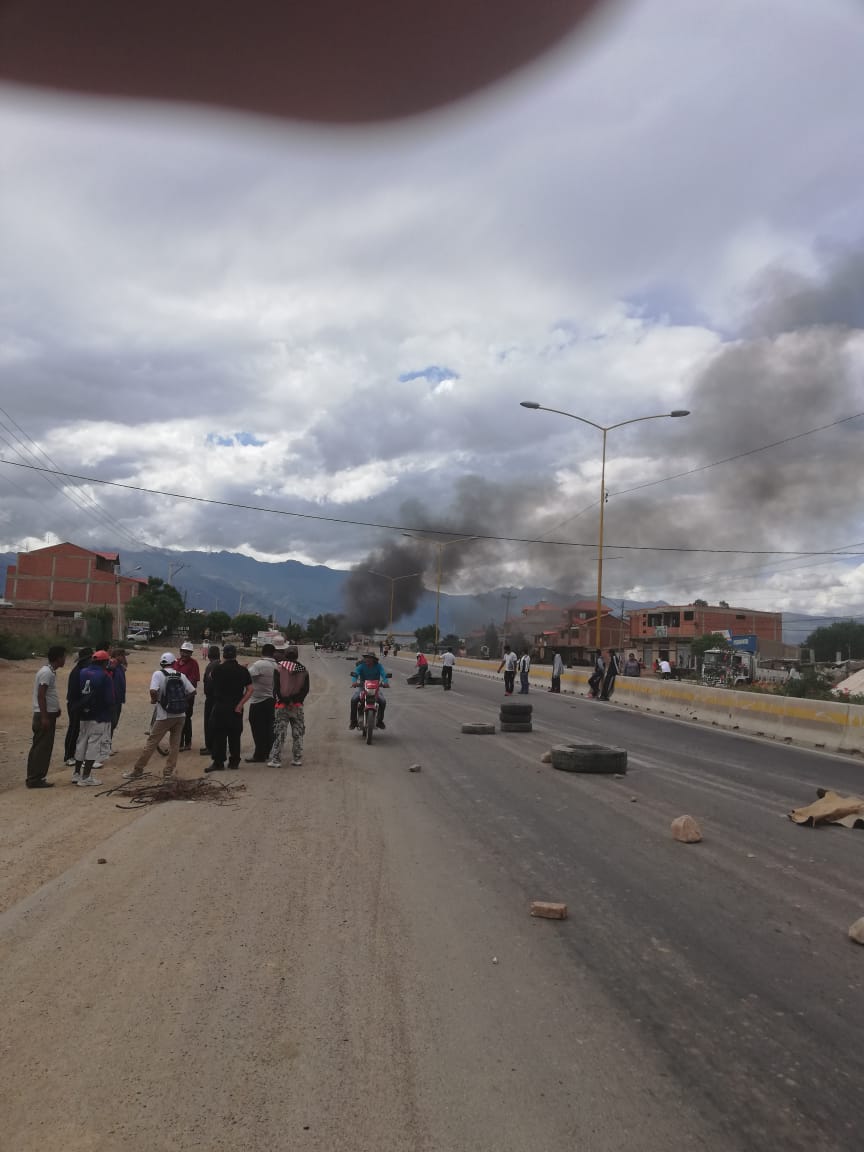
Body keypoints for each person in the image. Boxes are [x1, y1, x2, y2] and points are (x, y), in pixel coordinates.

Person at [125, 653, 195, 781]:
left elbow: (153, 690)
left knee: (151, 743)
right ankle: (168, 772)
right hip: (180, 715)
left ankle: (138, 770)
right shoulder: (181, 675)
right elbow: (192, 691)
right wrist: (182, 701)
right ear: (173, 663)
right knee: (175, 745)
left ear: (161, 663)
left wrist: (155, 700)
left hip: (164, 715)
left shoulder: (158, 674)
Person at [205, 644, 253, 772]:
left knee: (219, 734)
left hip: (220, 706)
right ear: (235, 655)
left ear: (223, 655)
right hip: (236, 707)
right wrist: (240, 704)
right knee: (235, 734)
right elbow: (250, 690)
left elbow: (210, 678)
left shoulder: (218, 669)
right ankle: (234, 761)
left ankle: (219, 762)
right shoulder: (243, 671)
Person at [26, 644, 67, 789]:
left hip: (49, 713)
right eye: (63, 656)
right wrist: (44, 717)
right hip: (44, 715)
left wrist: (56, 708)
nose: (65, 659)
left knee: (43, 747)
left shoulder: (50, 672)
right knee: (41, 748)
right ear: (58, 658)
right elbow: (41, 695)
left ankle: (37, 777)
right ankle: (34, 779)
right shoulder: (46, 673)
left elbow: (48, 694)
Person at [74, 650, 115, 785]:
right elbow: (110, 699)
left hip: (83, 713)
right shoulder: (105, 676)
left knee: (81, 742)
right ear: (104, 662)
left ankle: (76, 773)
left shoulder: (82, 672)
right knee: (93, 745)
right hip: (99, 714)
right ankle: (86, 777)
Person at [268, 646, 310, 767]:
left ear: (285, 655)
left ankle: (276, 760)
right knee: (298, 733)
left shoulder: (279, 668)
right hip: (297, 706)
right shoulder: (303, 670)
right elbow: (305, 690)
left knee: (280, 733)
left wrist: (286, 701)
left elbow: (276, 689)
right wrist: (295, 700)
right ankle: (297, 759)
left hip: (282, 706)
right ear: (297, 656)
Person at [245, 643, 279, 762]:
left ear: (262, 652)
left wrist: (244, 668)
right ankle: (266, 752)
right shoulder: (277, 666)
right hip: (271, 700)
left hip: (258, 701)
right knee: (269, 728)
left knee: (258, 729)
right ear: (273, 653)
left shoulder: (259, 664)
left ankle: (259, 755)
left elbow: (246, 676)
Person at [63, 645, 93, 765]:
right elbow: (75, 692)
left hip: (80, 704)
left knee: (81, 731)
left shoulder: (84, 671)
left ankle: (77, 754)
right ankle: (68, 756)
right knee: (74, 730)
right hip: (75, 705)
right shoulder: (77, 672)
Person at [350, 653, 389, 729]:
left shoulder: (378, 666)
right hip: (362, 687)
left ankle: (380, 721)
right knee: (354, 700)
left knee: (383, 701)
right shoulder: (361, 666)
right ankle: (353, 721)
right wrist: (354, 682)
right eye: (366, 658)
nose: (367, 659)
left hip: (375, 688)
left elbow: (383, 674)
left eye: (369, 658)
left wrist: (386, 682)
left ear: (374, 660)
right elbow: (356, 673)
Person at [175, 640, 201, 752]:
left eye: (188, 652)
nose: (185, 654)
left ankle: (187, 742)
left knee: (186, 718)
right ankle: (178, 742)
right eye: (183, 651)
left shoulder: (193, 663)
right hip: (174, 696)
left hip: (187, 696)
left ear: (191, 653)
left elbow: (194, 681)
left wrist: (183, 687)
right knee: (177, 719)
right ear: (180, 651)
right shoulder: (175, 662)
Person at [198, 645, 221, 756]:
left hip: (211, 698)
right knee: (217, 723)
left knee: (209, 723)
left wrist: (207, 693)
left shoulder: (211, 666)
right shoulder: (221, 664)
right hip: (220, 698)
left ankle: (210, 747)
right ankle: (214, 746)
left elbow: (208, 684)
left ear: (209, 655)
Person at [109, 648, 127, 746]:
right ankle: (106, 747)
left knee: (114, 723)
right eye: (122, 656)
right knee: (111, 723)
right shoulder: (113, 666)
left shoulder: (120, 666)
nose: (124, 658)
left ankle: (108, 745)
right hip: (113, 699)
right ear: (117, 656)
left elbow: (125, 665)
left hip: (119, 699)